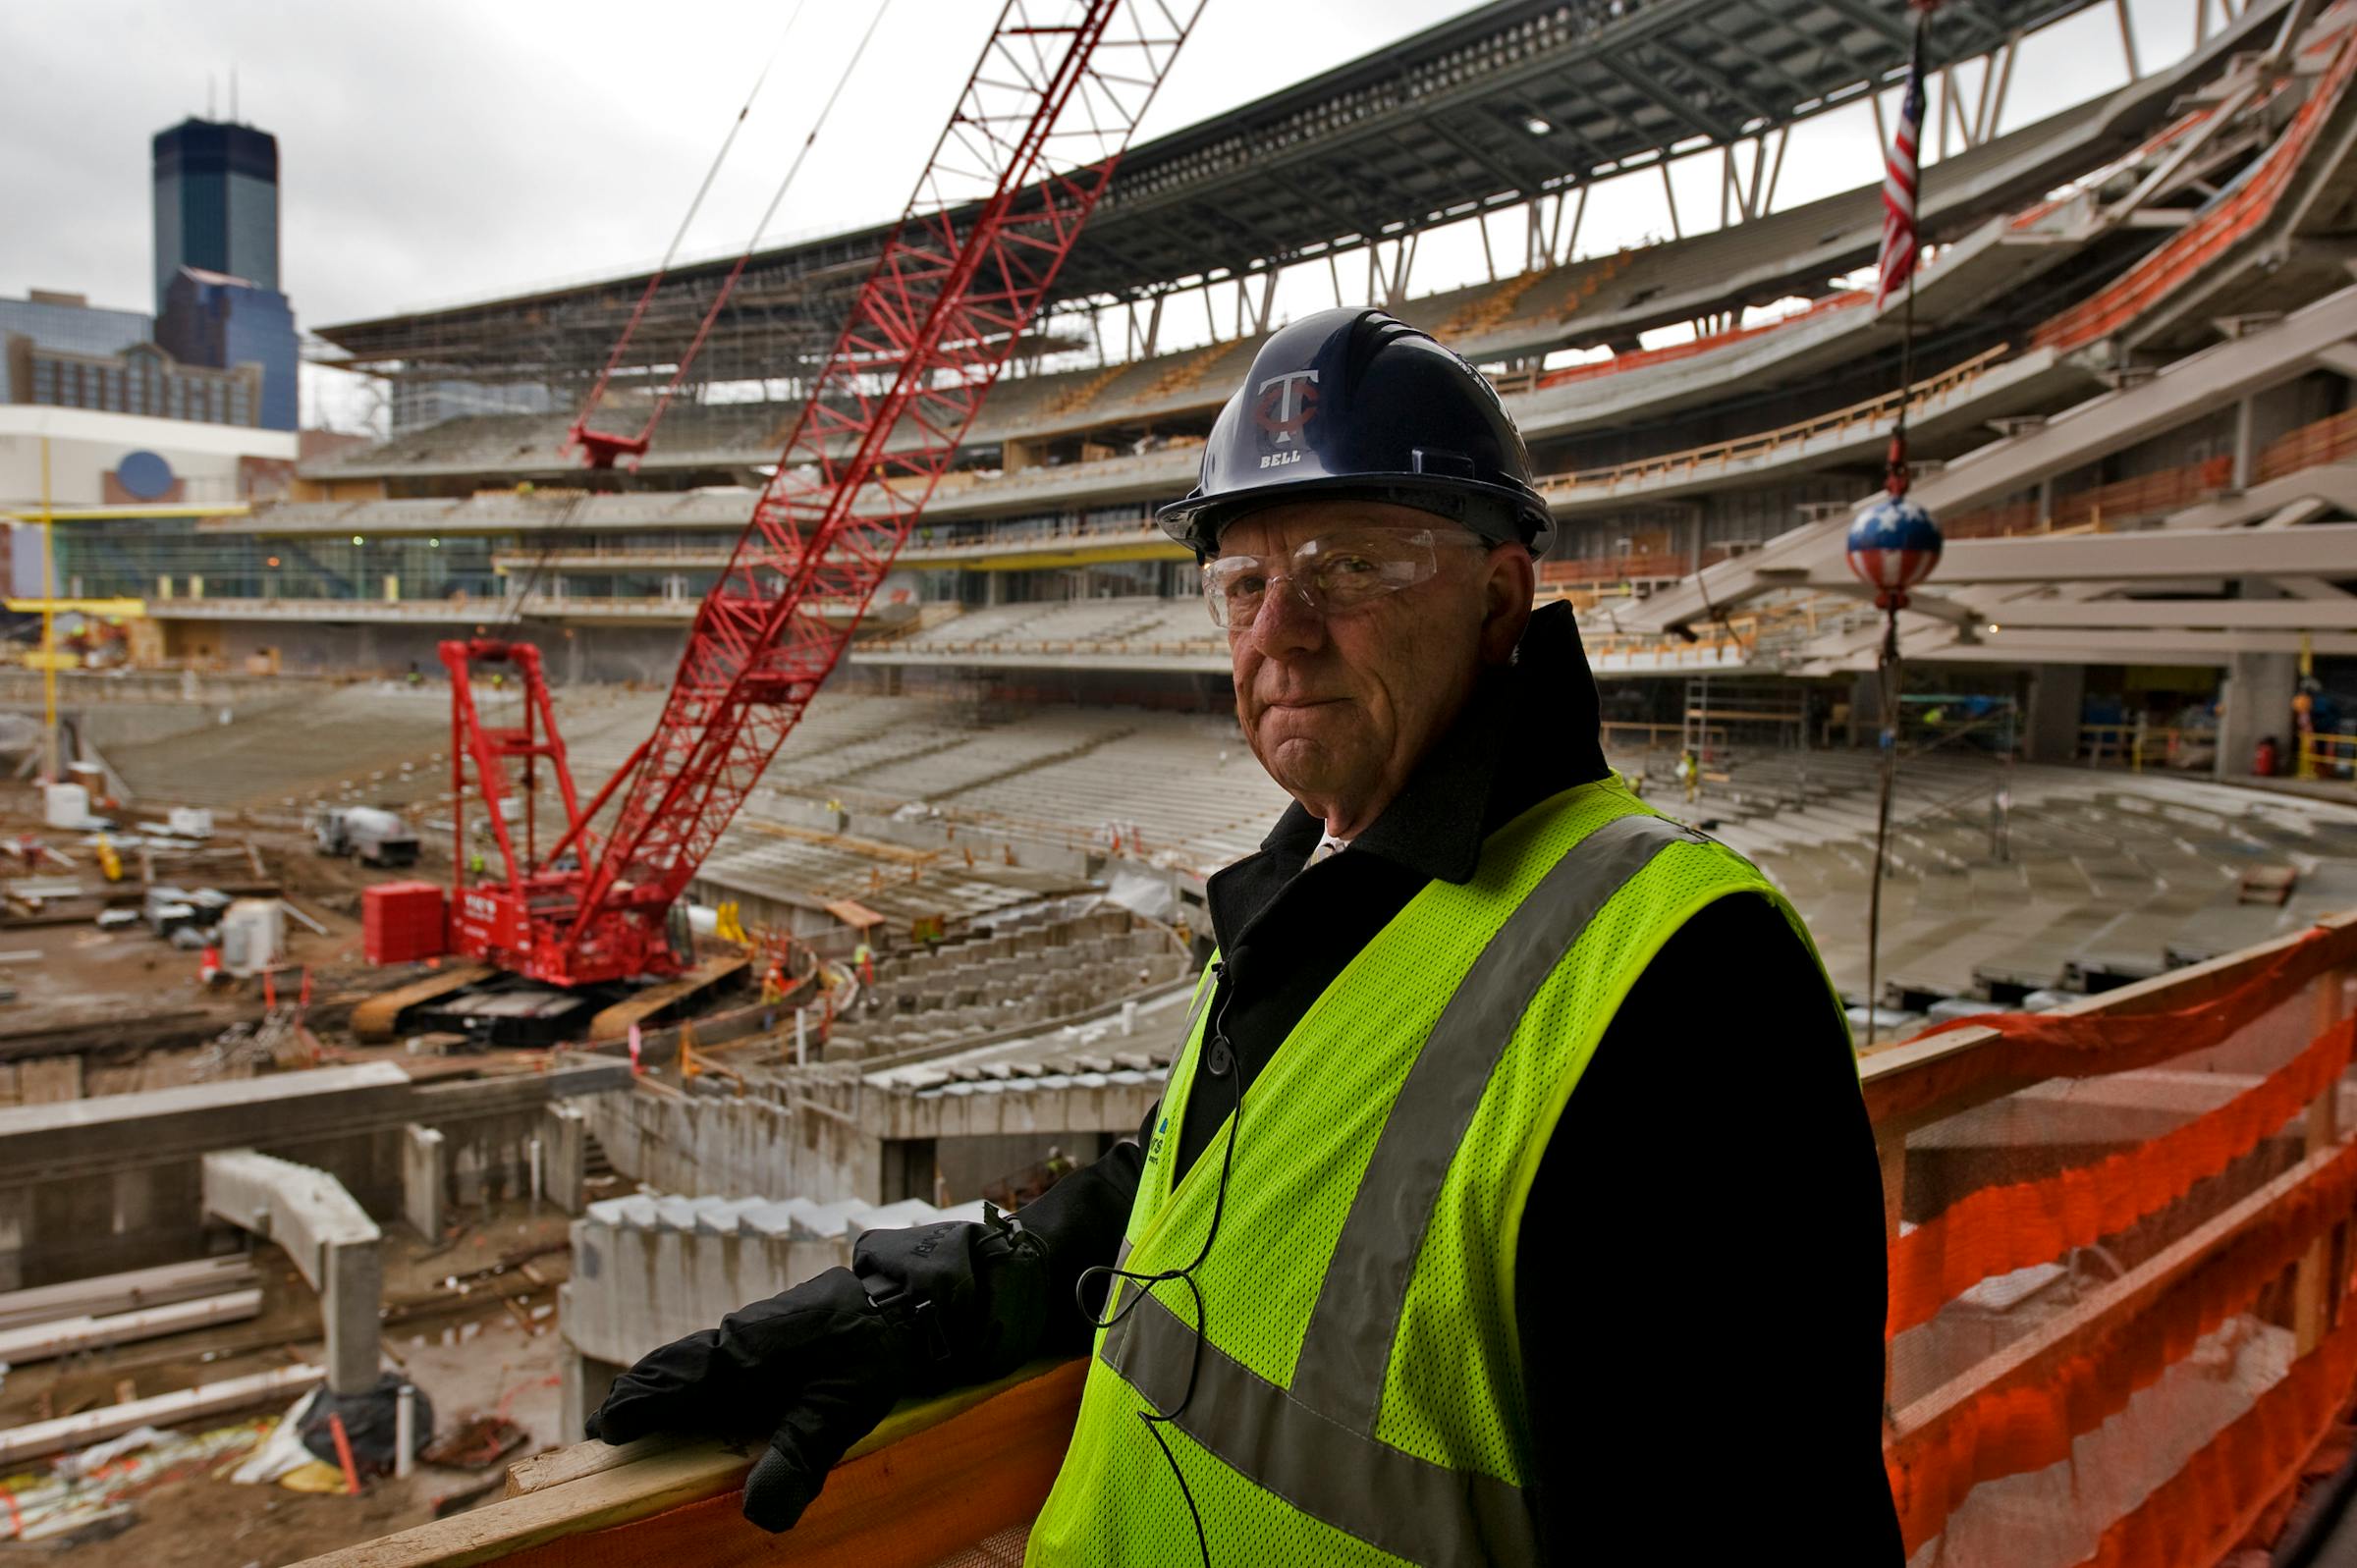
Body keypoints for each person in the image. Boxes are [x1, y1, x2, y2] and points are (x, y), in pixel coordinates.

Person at [581, 309, 1901, 1563]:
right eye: (1245, 580)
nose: (1278, 630)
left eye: (1348, 569)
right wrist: (981, 1284)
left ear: (1502, 602)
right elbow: (1236, 1200)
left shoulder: (1687, 994)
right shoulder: (1317, 879)